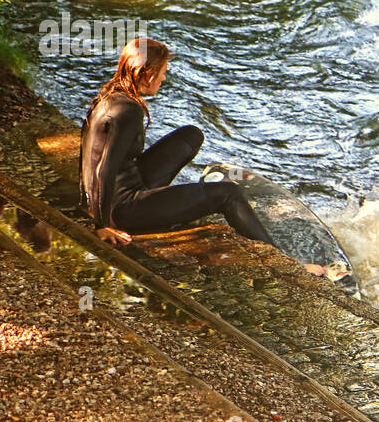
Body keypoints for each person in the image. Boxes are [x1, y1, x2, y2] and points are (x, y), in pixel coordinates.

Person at [79, 37, 325, 274]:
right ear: (148, 73)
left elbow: (91, 157)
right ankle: (284, 263)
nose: (164, 77)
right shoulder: (128, 111)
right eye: (163, 71)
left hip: (118, 192)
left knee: (191, 135)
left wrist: (88, 199)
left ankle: (161, 203)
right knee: (228, 193)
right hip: (123, 208)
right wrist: (103, 225)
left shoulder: (111, 95)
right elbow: (104, 168)